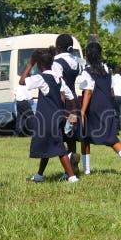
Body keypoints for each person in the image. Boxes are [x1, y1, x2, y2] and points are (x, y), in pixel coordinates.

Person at [19, 48, 79, 183]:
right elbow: (70, 96)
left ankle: (72, 177)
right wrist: (73, 114)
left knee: (59, 147)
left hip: (46, 118)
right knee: (48, 145)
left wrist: (29, 64)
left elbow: (22, 81)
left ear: (39, 64)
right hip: (58, 116)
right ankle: (39, 175)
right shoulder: (58, 79)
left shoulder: (41, 77)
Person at [79, 42, 121, 176]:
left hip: (93, 107)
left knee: (85, 137)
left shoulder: (87, 71)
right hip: (107, 106)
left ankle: (86, 171)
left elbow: (88, 92)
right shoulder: (106, 69)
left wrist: (82, 111)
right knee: (111, 137)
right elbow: (111, 90)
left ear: (87, 54)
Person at [51, 33, 81, 174]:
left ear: (58, 47)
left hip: (62, 102)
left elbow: (60, 85)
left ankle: (68, 168)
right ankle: (72, 163)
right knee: (71, 135)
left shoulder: (56, 61)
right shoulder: (76, 61)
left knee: (60, 134)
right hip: (74, 102)